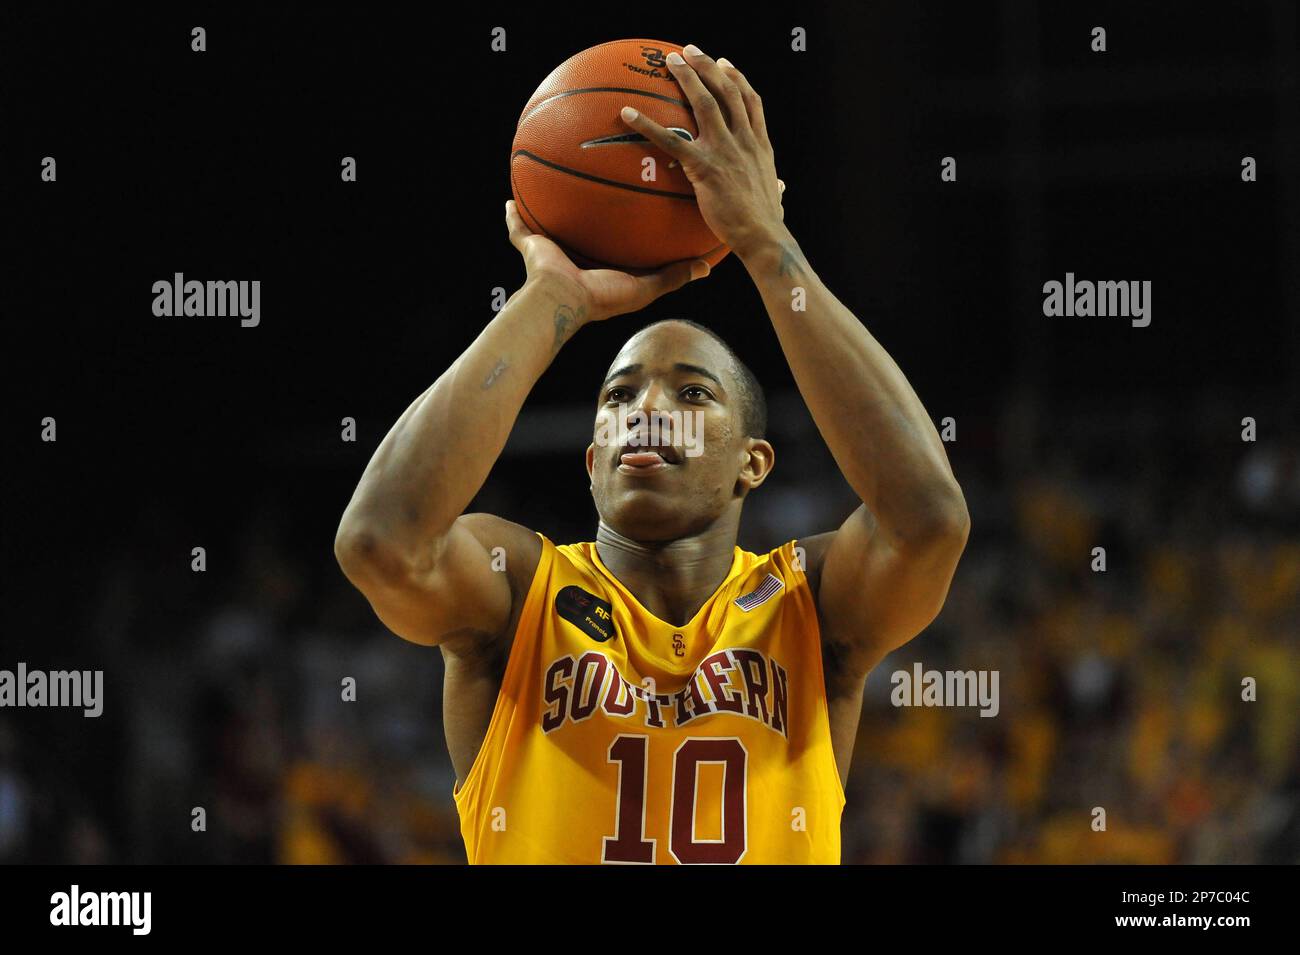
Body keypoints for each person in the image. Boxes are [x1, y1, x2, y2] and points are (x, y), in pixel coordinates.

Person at [335, 44, 969, 863]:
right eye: (619, 396)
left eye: (692, 394)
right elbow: (379, 539)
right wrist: (553, 299)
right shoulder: (519, 592)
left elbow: (930, 520)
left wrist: (767, 245)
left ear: (754, 462)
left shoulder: (809, 607)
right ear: (593, 456)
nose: (649, 412)